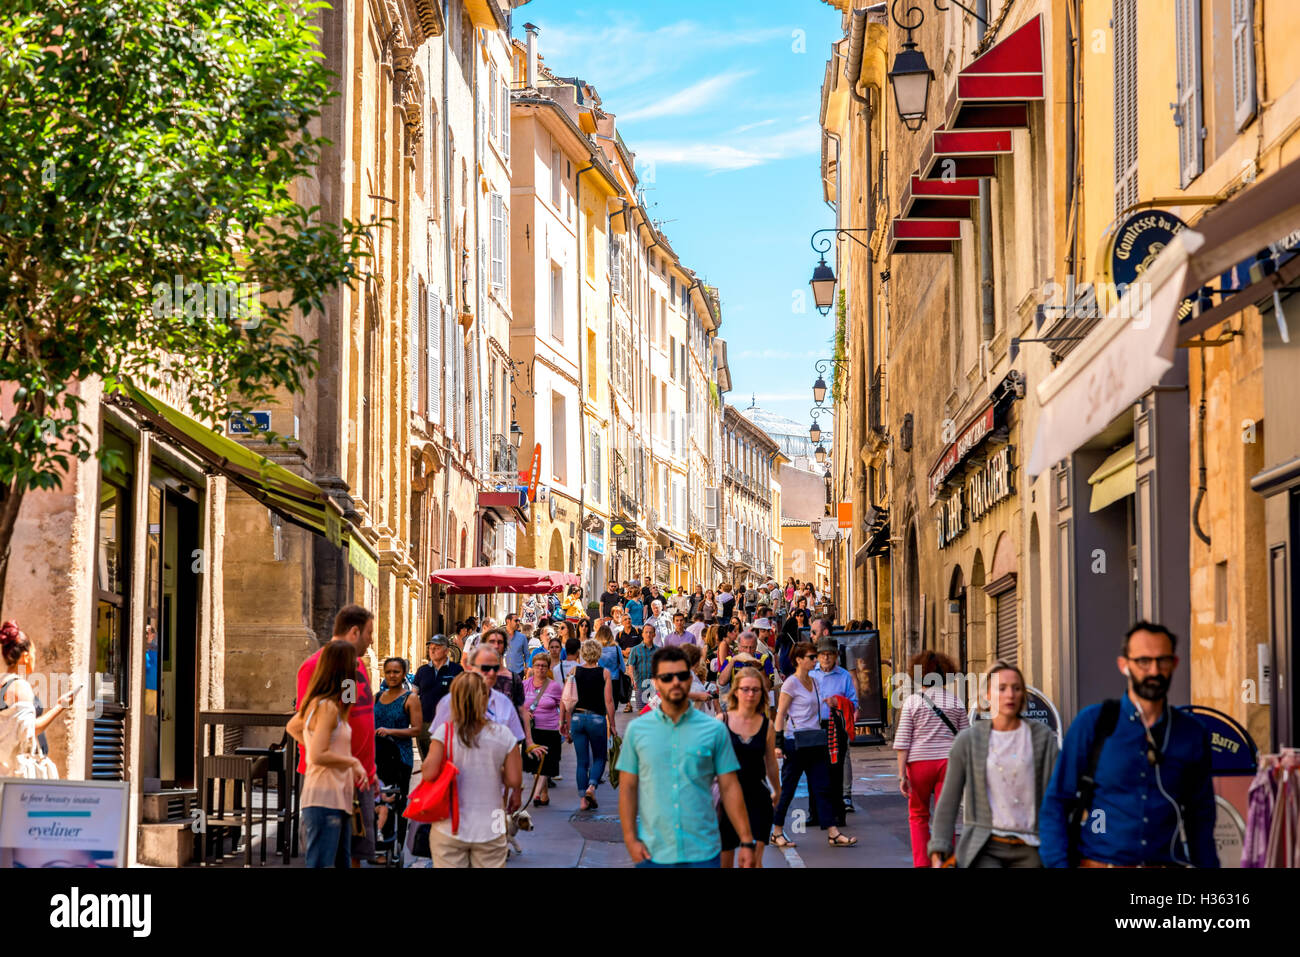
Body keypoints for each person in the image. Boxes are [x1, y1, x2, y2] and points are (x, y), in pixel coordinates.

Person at [1038, 622, 1218, 868]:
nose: (1154, 670)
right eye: (1143, 661)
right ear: (1124, 665)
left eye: (1162, 660)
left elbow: (1200, 818)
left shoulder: (1191, 733)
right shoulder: (1093, 723)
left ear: (1174, 664)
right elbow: (1056, 802)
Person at [616, 645, 756, 867]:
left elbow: (730, 787)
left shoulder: (714, 730)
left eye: (681, 675)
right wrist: (630, 839)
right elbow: (628, 788)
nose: (675, 682)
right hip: (653, 852)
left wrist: (747, 840)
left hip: (704, 851)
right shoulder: (638, 731)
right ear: (655, 682)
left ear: (690, 678)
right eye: (667, 676)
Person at [928, 662, 1059, 867]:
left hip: (1031, 844)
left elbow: (1058, 794)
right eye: (1002, 688)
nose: (1010, 695)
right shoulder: (969, 740)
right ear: (987, 694)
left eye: (1017, 688)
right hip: (986, 846)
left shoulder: (1041, 737)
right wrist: (939, 848)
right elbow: (949, 798)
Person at [296, 605, 377, 867]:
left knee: (351, 854)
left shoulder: (352, 665)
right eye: (369, 633)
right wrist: (339, 760)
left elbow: (350, 716)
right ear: (354, 632)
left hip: (357, 776)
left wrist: (368, 767)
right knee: (326, 857)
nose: (371, 640)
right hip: (331, 781)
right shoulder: (314, 667)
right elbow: (303, 724)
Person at [423, 674, 522, 868]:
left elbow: (429, 773)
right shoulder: (503, 734)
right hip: (491, 824)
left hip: (449, 823)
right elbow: (514, 779)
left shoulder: (445, 732)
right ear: (485, 699)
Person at [287, 640, 368, 868]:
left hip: (338, 798)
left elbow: (293, 727)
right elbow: (317, 754)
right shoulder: (326, 706)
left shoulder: (327, 703)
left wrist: (319, 744)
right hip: (325, 798)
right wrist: (351, 761)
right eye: (353, 662)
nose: (357, 665)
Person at [771, 641, 856, 848]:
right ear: (799, 660)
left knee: (822, 787)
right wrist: (779, 743)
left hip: (816, 741)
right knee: (788, 789)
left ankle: (833, 832)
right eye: (811, 657)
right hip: (795, 742)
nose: (815, 659)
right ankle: (776, 831)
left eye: (815, 656)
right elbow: (781, 714)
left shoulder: (815, 682)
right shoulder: (791, 683)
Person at [894, 650, 969, 867]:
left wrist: (901, 775)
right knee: (946, 817)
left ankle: (922, 863)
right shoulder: (955, 701)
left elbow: (902, 742)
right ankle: (946, 861)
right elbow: (966, 737)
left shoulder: (911, 702)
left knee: (918, 815)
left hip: (919, 766)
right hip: (949, 764)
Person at [717, 668, 780, 868]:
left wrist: (777, 790)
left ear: (762, 693)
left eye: (755, 690)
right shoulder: (722, 722)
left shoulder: (766, 725)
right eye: (745, 689)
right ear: (736, 691)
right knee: (724, 861)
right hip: (726, 798)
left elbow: (770, 762)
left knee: (752, 862)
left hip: (757, 796)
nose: (750, 694)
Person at [0, 621, 77, 776]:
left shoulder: (2, 681)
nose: (35, 658)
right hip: (17, 774)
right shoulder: (21, 686)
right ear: (26, 656)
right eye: (34, 653)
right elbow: (30, 730)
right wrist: (60, 706)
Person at [561, 639, 616, 811]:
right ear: (598, 653)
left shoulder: (574, 670)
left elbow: (566, 698)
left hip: (577, 718)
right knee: (600, 757)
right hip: (597, 718)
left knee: (582, 761)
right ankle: (592, 787)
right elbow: (608, 701)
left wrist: (562, 721)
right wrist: (612, 724)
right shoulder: (604, 673)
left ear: (582, 653)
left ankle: (583, 801)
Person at [811, 632, 858, 816]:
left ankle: (839, 809)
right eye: (823, 654)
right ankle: (816, 810)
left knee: (837, 766)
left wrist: (838, 702)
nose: (826, 657)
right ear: (817, 656)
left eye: (830, 654)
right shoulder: (810, 674)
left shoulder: (844, 676)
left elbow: (853, 702)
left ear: (836, 656)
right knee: (817, 767)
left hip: (837, 724)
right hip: (816, 725)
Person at [523, 652, 563, 805]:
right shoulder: (525, 685)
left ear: (547, 668)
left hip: (550, 729)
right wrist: (525, 714)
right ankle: (544, 794)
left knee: (545, 764)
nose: (540, 669)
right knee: (535, 766)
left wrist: (564, 724)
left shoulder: (554, 687)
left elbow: (562, 706)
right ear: (533, 667)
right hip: (532, 730)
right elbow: (518, 706)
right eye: (537, 665)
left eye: (543, 666)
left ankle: (536, 794)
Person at [412, 636, 461, 761]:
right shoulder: (422, 671)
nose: (432, 651)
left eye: (437, 648)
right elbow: (414, 696)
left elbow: (462, 697)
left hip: (447, 724)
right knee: (427, 761)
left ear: (446, 651)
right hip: (425, 722)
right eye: (430, 648)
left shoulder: (456, 670)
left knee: (446, 762)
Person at [627, 624, 658, 714]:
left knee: (656, 711)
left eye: (651, 632)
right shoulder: (635, 650)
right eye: (646, 632)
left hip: (655, 686)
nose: (648, 634)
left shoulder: (659, 650)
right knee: (642, 711)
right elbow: (631, 666)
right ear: (642, 634)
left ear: (654, 635)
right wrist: (633, 680)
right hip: (640, 684)